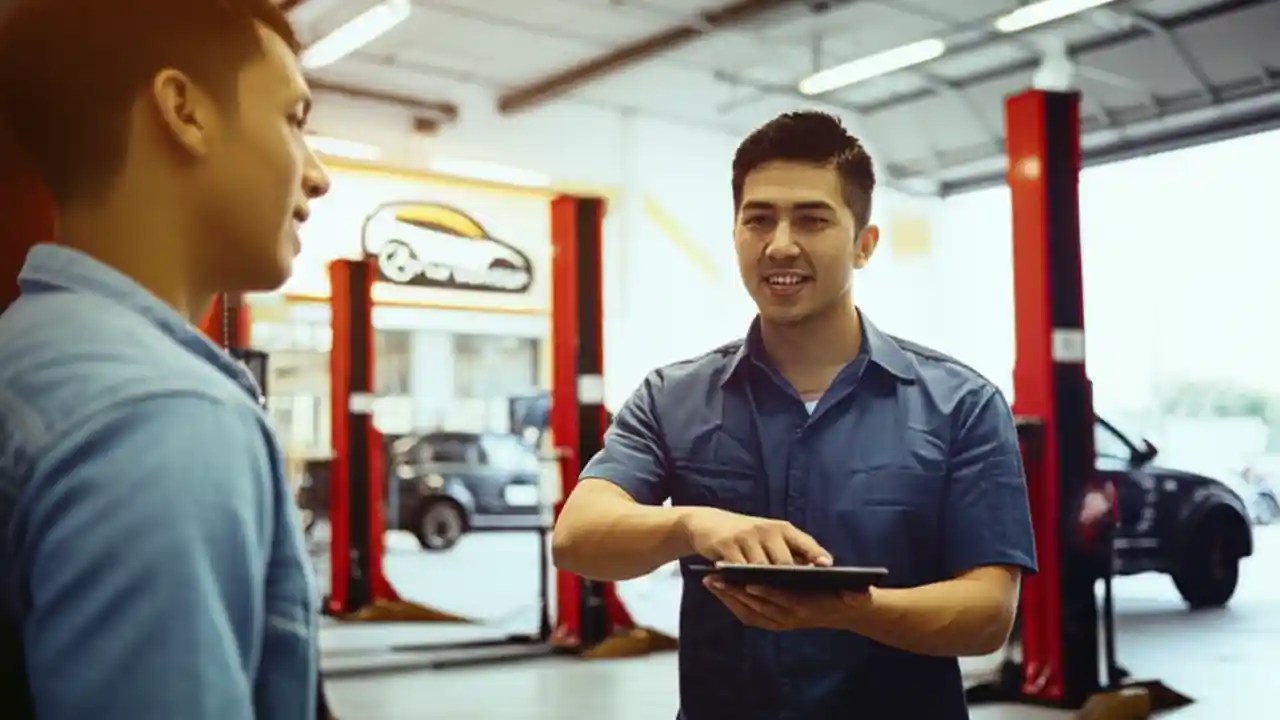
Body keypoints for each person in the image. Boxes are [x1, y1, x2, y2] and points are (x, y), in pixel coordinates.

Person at [553, 111, 1038, 719]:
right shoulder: (670, 398)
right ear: (734, 235)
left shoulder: (960, 405)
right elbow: (577, 539)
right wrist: (695, 526)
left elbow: (988, 613)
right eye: (758, 219)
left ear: (864, 245)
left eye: (812, 219)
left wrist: (849, 611)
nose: (781, 244)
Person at [0, 1, 331, 718]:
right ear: (184, 110)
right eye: (295, 121)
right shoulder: (161, 417)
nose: (318, 176)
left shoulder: (27, 353)